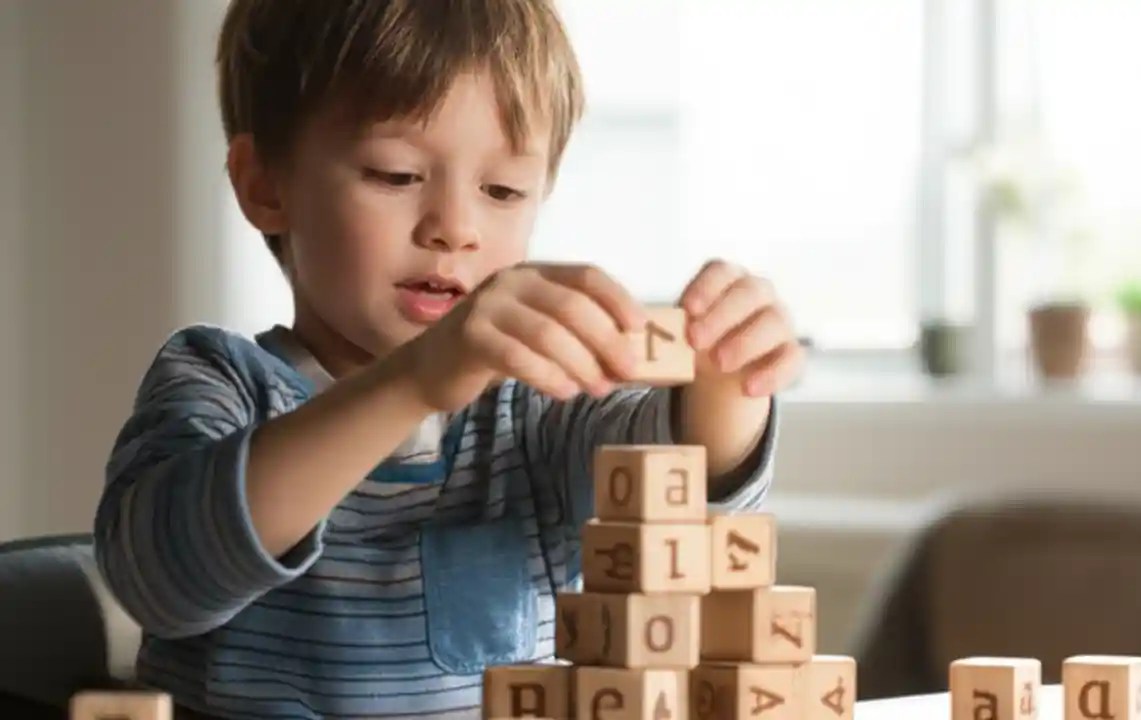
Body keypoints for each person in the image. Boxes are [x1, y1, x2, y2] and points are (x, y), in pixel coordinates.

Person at [93, 1, 805, 718]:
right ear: (265, 186)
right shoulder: (219, 380)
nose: (455, 228)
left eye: (501, 191)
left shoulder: (538, 406)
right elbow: (160, 581)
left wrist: (728, 378)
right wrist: (413, 382)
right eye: (396, 175)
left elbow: (680, 499)